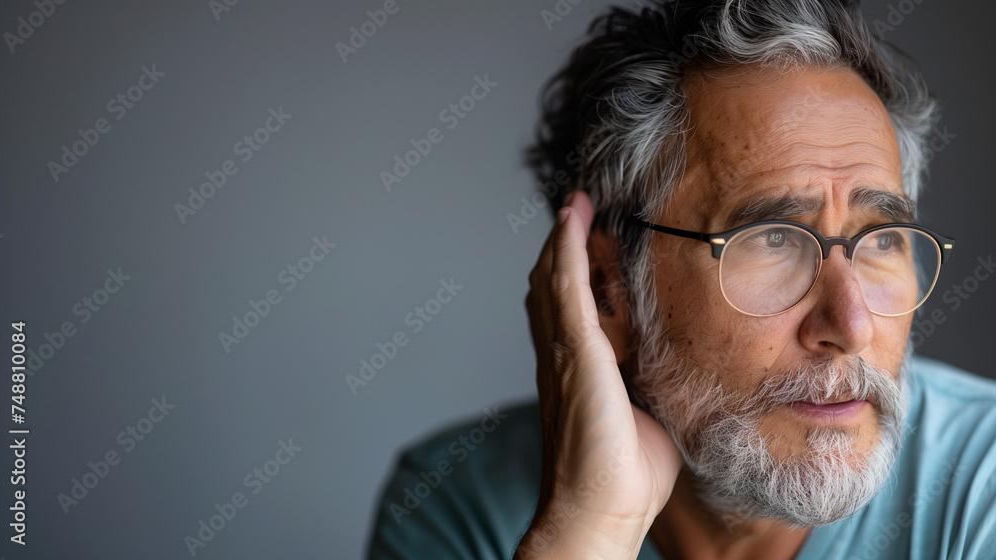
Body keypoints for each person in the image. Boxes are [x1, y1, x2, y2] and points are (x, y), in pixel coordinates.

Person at [368, 1, 996, 558]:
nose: (851, 326)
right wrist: (590, 528)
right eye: (773, 239)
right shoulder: (454, 504)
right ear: (606, 287)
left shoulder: (982, 487)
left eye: (881, 239)